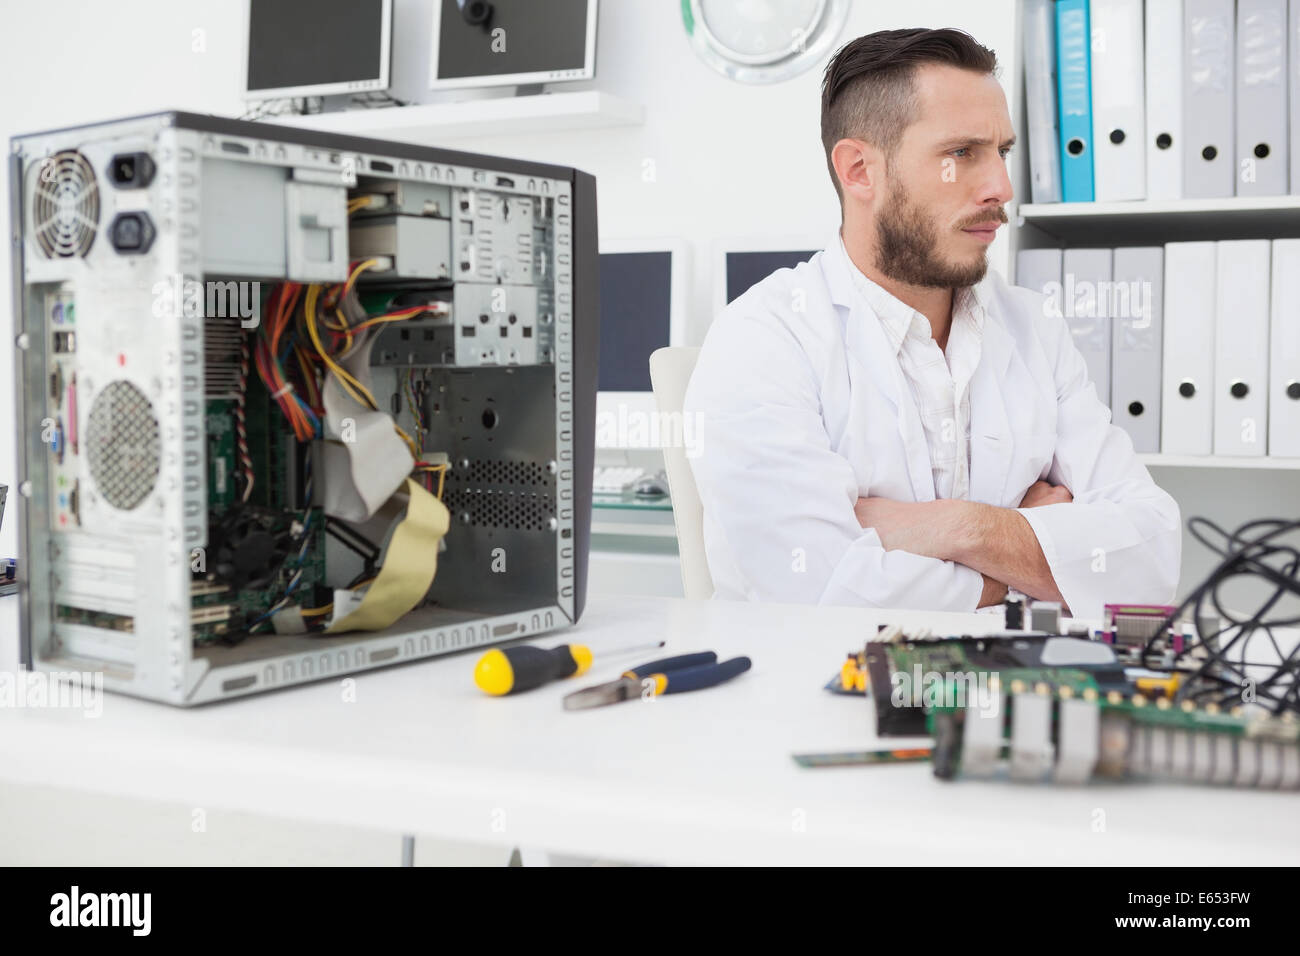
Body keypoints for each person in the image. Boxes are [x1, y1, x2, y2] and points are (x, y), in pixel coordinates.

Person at [682, 28, 1180, 620]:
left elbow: (1148, 564)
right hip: (820, 698)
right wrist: (1037, 556)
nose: (1002, 188)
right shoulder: (763, 339)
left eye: (1003, 152)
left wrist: (958, 528)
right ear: (860, 170)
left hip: (1011, 692)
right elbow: (826, 597)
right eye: (961, 154)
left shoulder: (1031, 327)